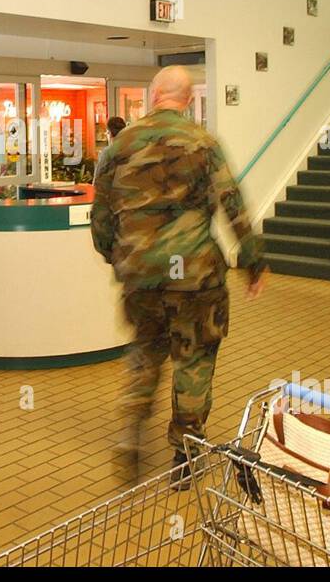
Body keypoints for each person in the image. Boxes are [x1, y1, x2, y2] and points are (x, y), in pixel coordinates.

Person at [91, 66, 266, 485]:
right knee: (194, 358)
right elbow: (232, 201)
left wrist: (116, 256)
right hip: (195, 276)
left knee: (145, 351)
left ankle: (130, 433)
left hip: (141, 275)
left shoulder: (120, 146)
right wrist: (253, 259)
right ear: (188, 99)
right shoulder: (203, 143)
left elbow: (100, 213)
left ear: (154, 97)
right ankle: (185, 456)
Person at [92, 116, 126, 181]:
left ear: (110, 133)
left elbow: (98, 177)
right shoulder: (132, 148)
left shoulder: (108, 152)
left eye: (107, 132)